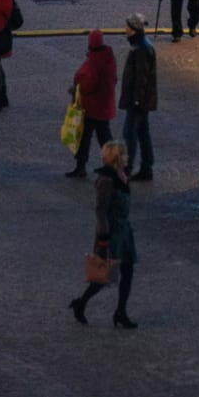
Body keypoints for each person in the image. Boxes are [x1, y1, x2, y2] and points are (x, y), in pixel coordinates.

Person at [69, 141, 137, 329]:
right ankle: (81, 302)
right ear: (118, 158)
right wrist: (104, 237)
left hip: (124, 230)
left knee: (128, 270)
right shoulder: (106, 180)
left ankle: (121, 311)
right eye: (124, 155)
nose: (128, 158)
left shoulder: (122, 175)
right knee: (103, 276)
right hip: (111, 232)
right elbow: (100, 211)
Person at [66, 29, 118, 178]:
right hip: (104, 104)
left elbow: (90, 83)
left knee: (85, 137)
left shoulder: (95, 60)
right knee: (104, 137)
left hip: (92, 106)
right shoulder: (108, 57)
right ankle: (112, 165)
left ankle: (81, 166)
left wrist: (77, 89)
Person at [119, 14, 158, 182]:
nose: (125, 28)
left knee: (130, 133)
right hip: (143, 100)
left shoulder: (141, 48)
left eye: (127, 26)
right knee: (142, 133)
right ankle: (146, 166)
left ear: (133, 29)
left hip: (138, 101)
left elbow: (141, 78)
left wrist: (136, 100)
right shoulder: (141, 45)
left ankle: (128, 168)